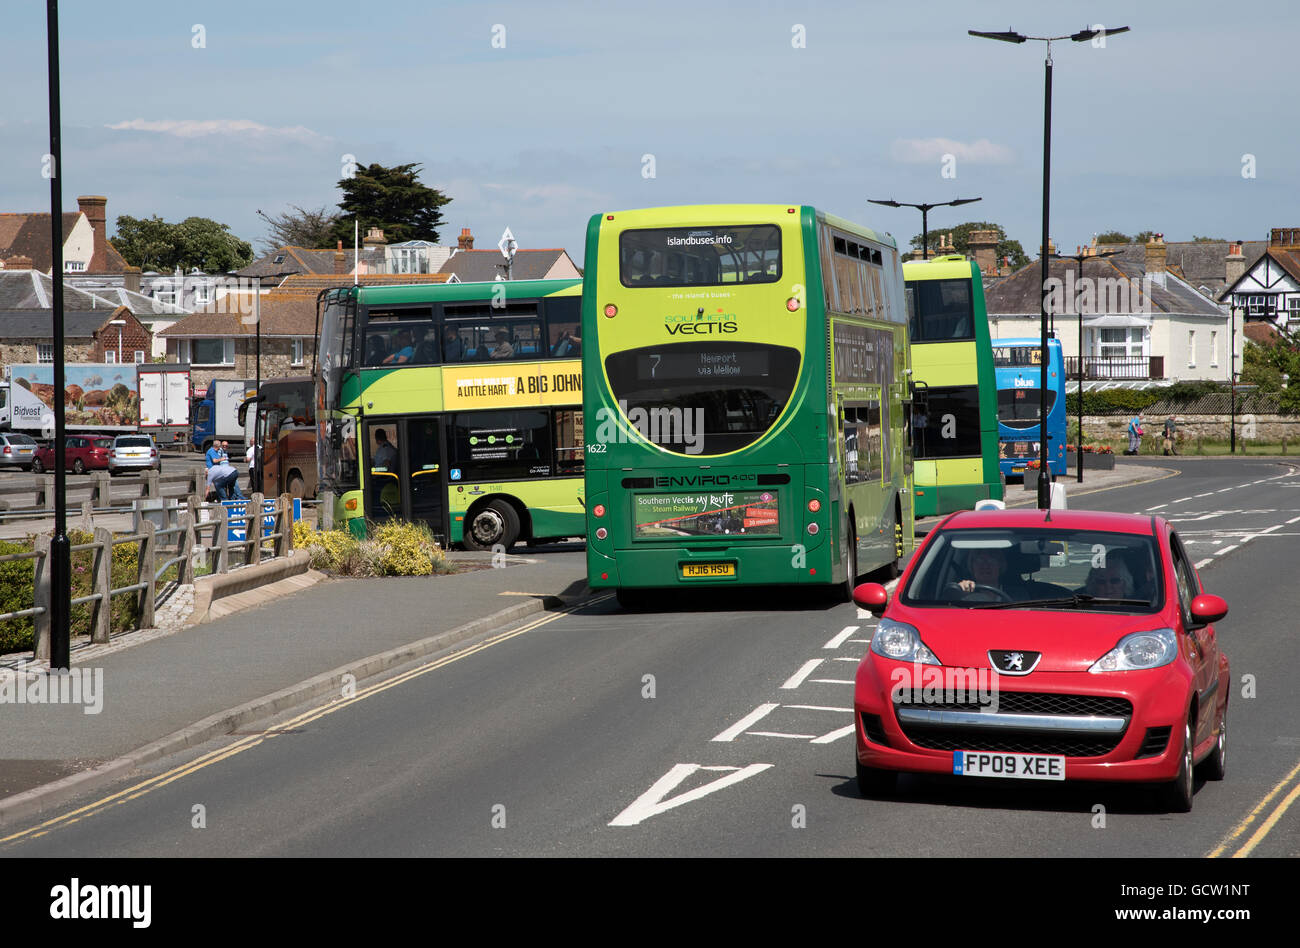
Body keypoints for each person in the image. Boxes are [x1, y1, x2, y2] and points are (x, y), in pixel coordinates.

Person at [953, 547, 1023, 599]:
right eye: (979, 560)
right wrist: (957, 592)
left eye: (991, 560)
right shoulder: (964, 594)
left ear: (1000, 565)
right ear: (971, 565)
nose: (985, 566)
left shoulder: (1018, 595)